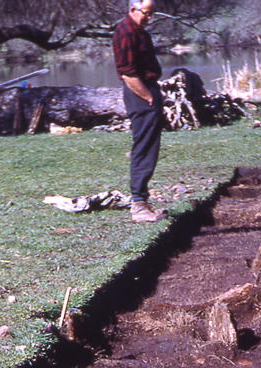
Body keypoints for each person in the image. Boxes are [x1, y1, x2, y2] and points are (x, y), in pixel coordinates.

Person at [112, 0, 166, 222]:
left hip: (148, 89)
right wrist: (149, 97)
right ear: (133, 9)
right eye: (147, 13)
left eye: (152, 14)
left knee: (150, 145)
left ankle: (143, 201)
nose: (150, 18)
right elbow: (127, 73)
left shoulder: (139, 31)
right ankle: (138, 204)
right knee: (143, 146)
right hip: (140, 94)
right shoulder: (125, 31)